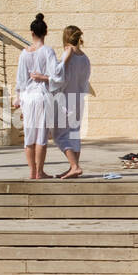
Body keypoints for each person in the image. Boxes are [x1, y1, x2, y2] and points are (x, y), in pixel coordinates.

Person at [14, 13, 61, 181]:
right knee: (41, 134)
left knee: (29, 134)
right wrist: (43, 77)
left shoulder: (24, 53)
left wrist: (17, 97)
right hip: (41, 96)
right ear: (45, 33)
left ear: (31, 33)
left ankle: (32, 171)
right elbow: (56, 76)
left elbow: (20, 79)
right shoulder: (47, 51)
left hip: (27, 96)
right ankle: (39, 171)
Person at [53, 24, 89, 179]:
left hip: (66, 99)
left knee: (60, 135)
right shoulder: (85, 58)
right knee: (74, 134)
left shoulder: (68, 56)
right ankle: (74, 167)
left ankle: (74, 166)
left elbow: (60, 78)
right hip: (79, 98)